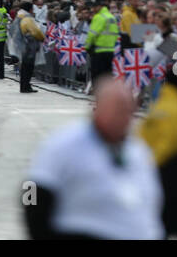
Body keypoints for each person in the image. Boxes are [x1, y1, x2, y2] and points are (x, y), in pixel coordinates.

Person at [24, 78, 163, 239]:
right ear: (98, 108)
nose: (125, 117)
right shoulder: (62, 145)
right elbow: (30, 190)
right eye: (118, 109)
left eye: (129, 110)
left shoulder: (138, 152)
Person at [138, 66, 177, 239]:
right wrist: (151, 164)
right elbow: (168, 143)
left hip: (157, 168)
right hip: (172, 169)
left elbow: (141, 136)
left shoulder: (159, 105)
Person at [86, 0, 120, 82]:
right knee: (107, 75)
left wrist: (87, 46)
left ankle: (98, 92)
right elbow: (116, 33)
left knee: (97, 75)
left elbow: (92, 34)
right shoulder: (111, 17)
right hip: (111, 50)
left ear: (99, 7)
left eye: (94, 7)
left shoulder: (99, 17)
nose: (93, 9)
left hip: (99, 51)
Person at [17, 3, 46, 93]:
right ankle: (26, 86)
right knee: (28, 66)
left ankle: (24, 86)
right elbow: (36, 31)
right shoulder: (27, 19)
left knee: (24, 66)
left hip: (22, 44)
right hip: (29, 45)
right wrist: (42, 38)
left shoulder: (19, 17)